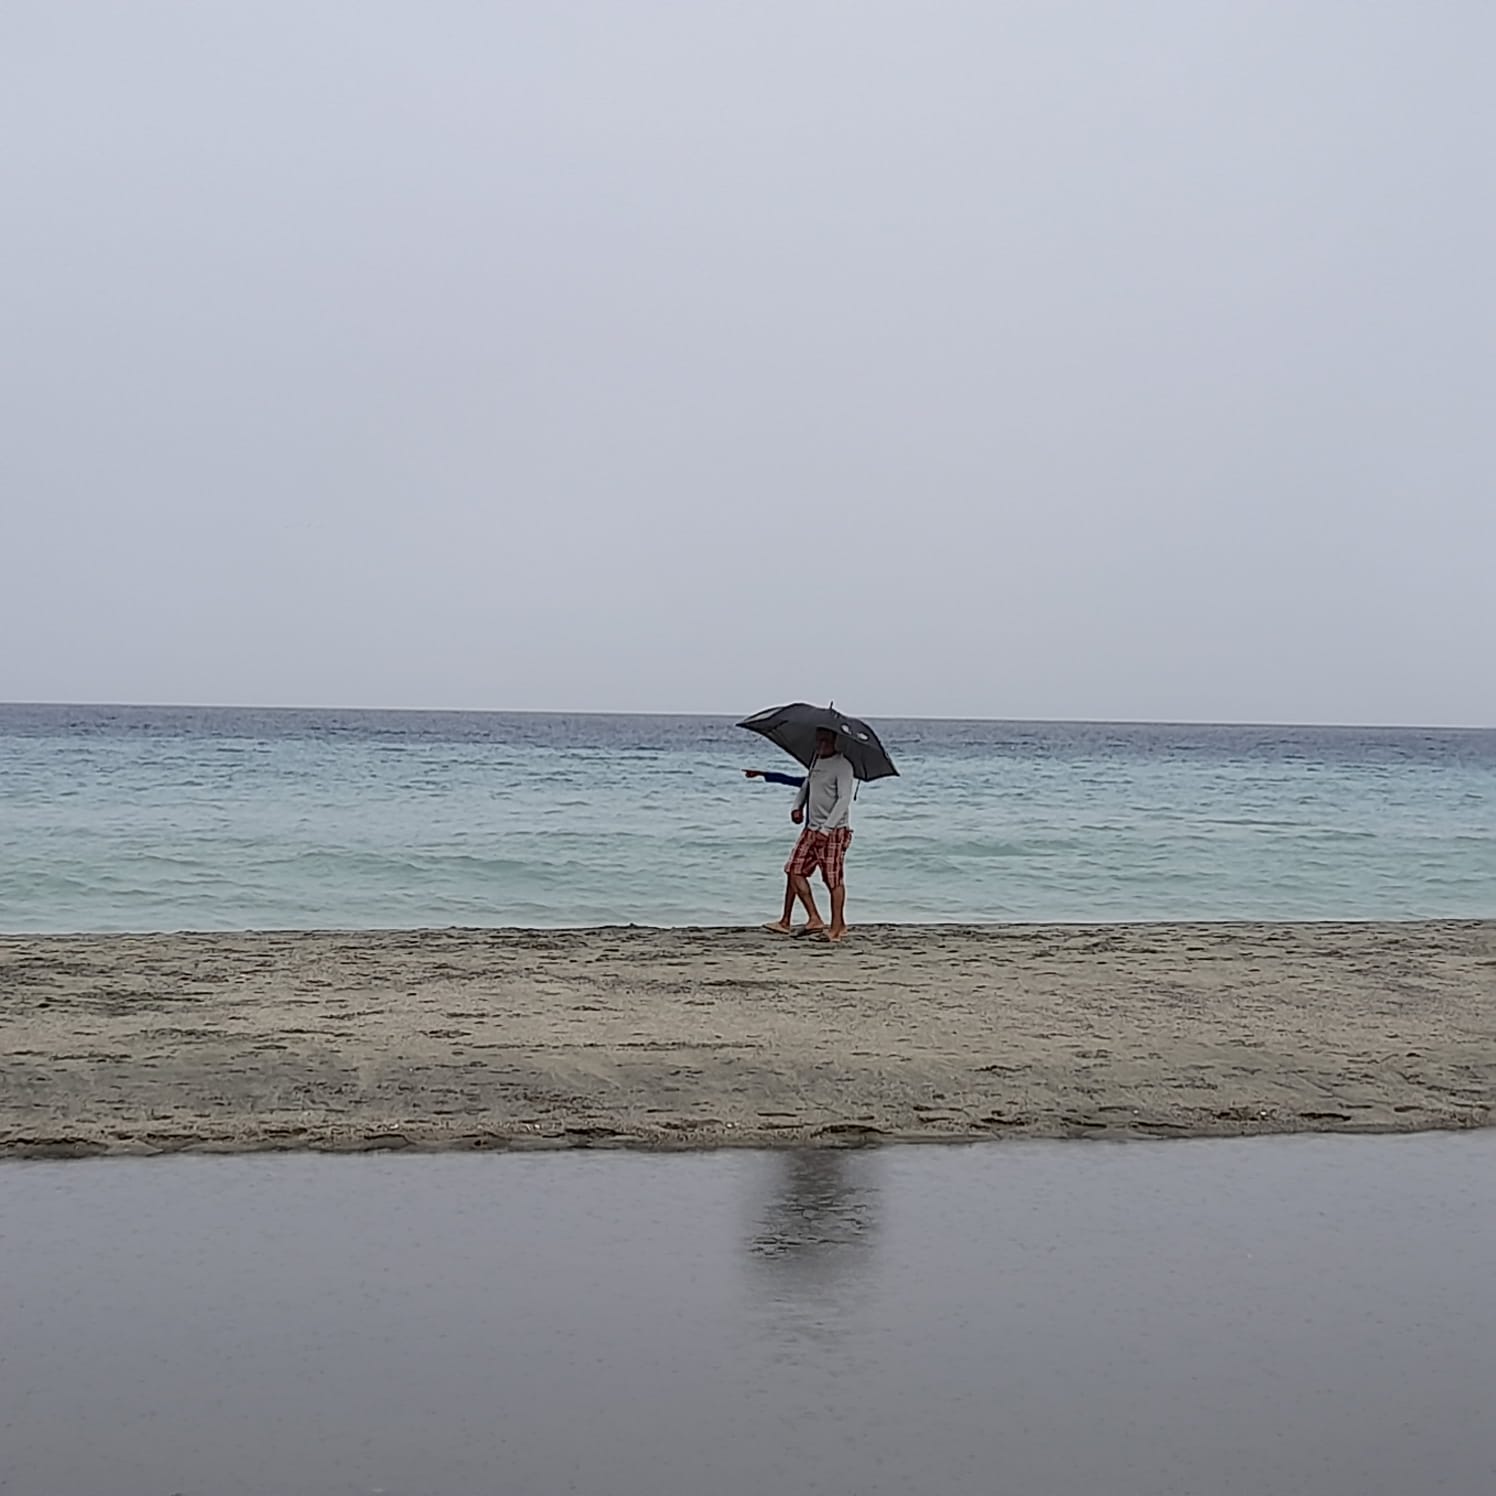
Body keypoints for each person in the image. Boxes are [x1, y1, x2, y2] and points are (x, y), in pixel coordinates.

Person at [783, 728, 856, 941]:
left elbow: (843, 800)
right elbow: (806, 787)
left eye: (825, 740)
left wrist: (827, 829)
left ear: (835, 741)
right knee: (794, 870)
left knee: (833, 880)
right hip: (811, 829)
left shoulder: (843, 765)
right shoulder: (816, 761)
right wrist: (797, 807)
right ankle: (814, 917)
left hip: (833, 831)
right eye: (818, 740)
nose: (821, 744)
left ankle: (836, 929)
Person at [744, 768, 805, 930]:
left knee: (796, 872)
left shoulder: (830, 781)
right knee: (794, 872)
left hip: (823, 833)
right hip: (812, 832)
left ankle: (822, 921)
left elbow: (793, 780)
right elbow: (790, 780)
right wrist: (763, 774)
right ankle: (786, 920)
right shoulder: (813, 780)